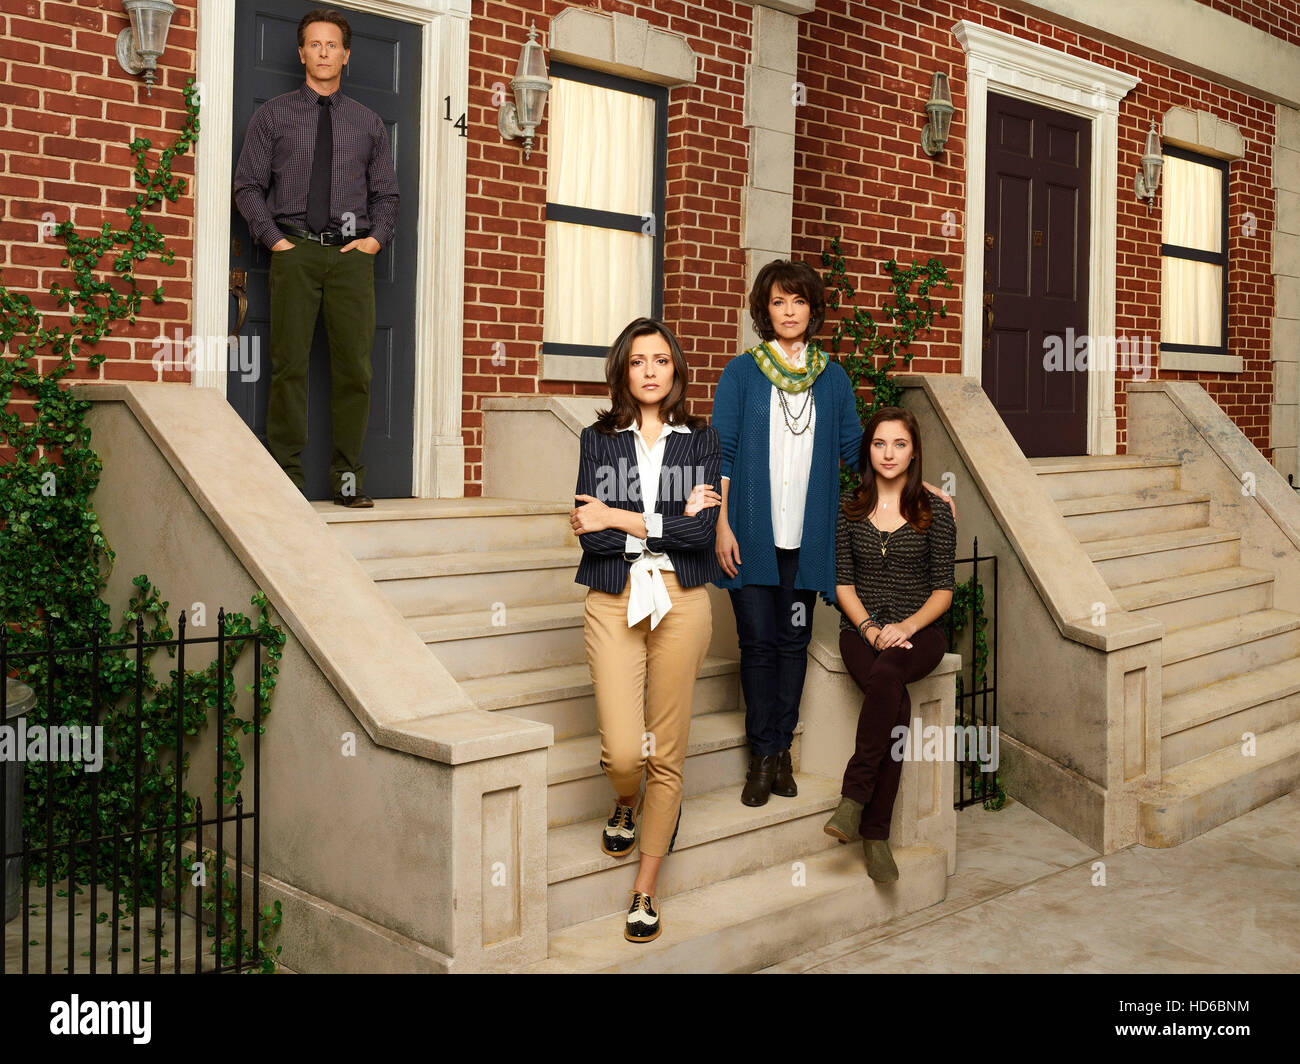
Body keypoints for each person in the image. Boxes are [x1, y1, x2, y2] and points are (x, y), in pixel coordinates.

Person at [712, 259, 952, 807]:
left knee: (794, 641)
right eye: (777, 302)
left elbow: (858, 454)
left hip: (808, 536)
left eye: (798, 301)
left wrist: (923, 490)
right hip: (750, 533)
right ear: (764, 311)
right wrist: (722, 522)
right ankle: (761, 755)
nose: (789, 311)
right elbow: (720, 454)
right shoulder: (741, 373)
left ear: (812, 310)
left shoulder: (832, 377)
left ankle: (782, 756)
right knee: (758, 644)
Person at [570, 317, 724, 943]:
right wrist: (653, 518)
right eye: (639, 361)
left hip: (683, 600)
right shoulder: (596, 438)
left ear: (676, 370)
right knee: (625, 752)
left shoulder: (702, 439)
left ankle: (644, 889)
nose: (652, 370)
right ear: (623, 371)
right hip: (615, 598)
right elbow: (590, 528)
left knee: (668, 751)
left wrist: (620, 514)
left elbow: (700, 535)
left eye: (662, 360)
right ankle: (623, 799)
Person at [232, 7, 399, 508]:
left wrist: (373, 241)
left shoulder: (369, 124)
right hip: (295, 252)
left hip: (350, 258)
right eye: (314, 44)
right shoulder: (274, 115)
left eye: (332, 45)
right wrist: (275, 241)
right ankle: (286, 481)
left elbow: (387, 196)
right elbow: (247, 187)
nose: (323, 52)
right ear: (301, 52)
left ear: (345, 55)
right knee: (288, 367)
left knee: (355, 371)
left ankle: (348, 482)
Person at [824, 406, 955, 882]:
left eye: (899, 444)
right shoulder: (848, 507)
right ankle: (875, 833)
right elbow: (843, 586)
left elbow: (944, 589)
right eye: (880, 443)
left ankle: (853, 799)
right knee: (893, 698)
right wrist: (870, 629)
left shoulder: (934, 510)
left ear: (913, 450)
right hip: (861, 631)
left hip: (921, 633)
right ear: (869, 450)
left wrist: (906, 626)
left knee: (889, 672)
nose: (889, 453)